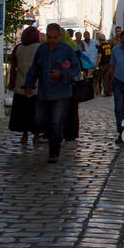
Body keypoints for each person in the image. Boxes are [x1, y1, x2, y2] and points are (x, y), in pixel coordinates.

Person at [23, 23, 81, 164]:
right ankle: (55, 137)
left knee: (56, 122)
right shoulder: (42, 50)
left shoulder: (67, 50)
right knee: (40, 120)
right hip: (44, 92)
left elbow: (76, 69)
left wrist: (62, 74)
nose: (52, 40)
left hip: (61, 93)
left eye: (55, 37)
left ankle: (54, 152)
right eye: (49, 37)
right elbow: (34, 68)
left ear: (60, 37)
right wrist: (29, 85)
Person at [7, 25, 44, 145]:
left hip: (20, 85)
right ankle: (37, 135)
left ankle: (24, 135)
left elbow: (14, 67)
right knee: (35, 112)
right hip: (36, 86)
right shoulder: (40, 48)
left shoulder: (18, 48)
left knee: (23, 112)